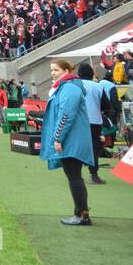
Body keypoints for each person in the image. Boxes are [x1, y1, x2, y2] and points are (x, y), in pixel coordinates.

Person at [40, 59, 96, 226]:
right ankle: (81, 213)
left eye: (55, 70)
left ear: (66, 70)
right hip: (72, 139)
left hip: (71, 140)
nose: (52, 73)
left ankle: (82, 215)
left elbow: (66, 115)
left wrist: (58, 138)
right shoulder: (66, 87)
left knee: (74, 178)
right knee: (74, 177)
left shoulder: (69, 88)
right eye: (51, 70)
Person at [76, 62, 107, 185]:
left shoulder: (74, 85)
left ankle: (75, 174)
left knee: (77, 146)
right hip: (94, 121)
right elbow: (106, 106)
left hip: (77, 121)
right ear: (91, 74)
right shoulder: (98, 86)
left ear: (79, 74)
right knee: (94, 148)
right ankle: (94, 175)